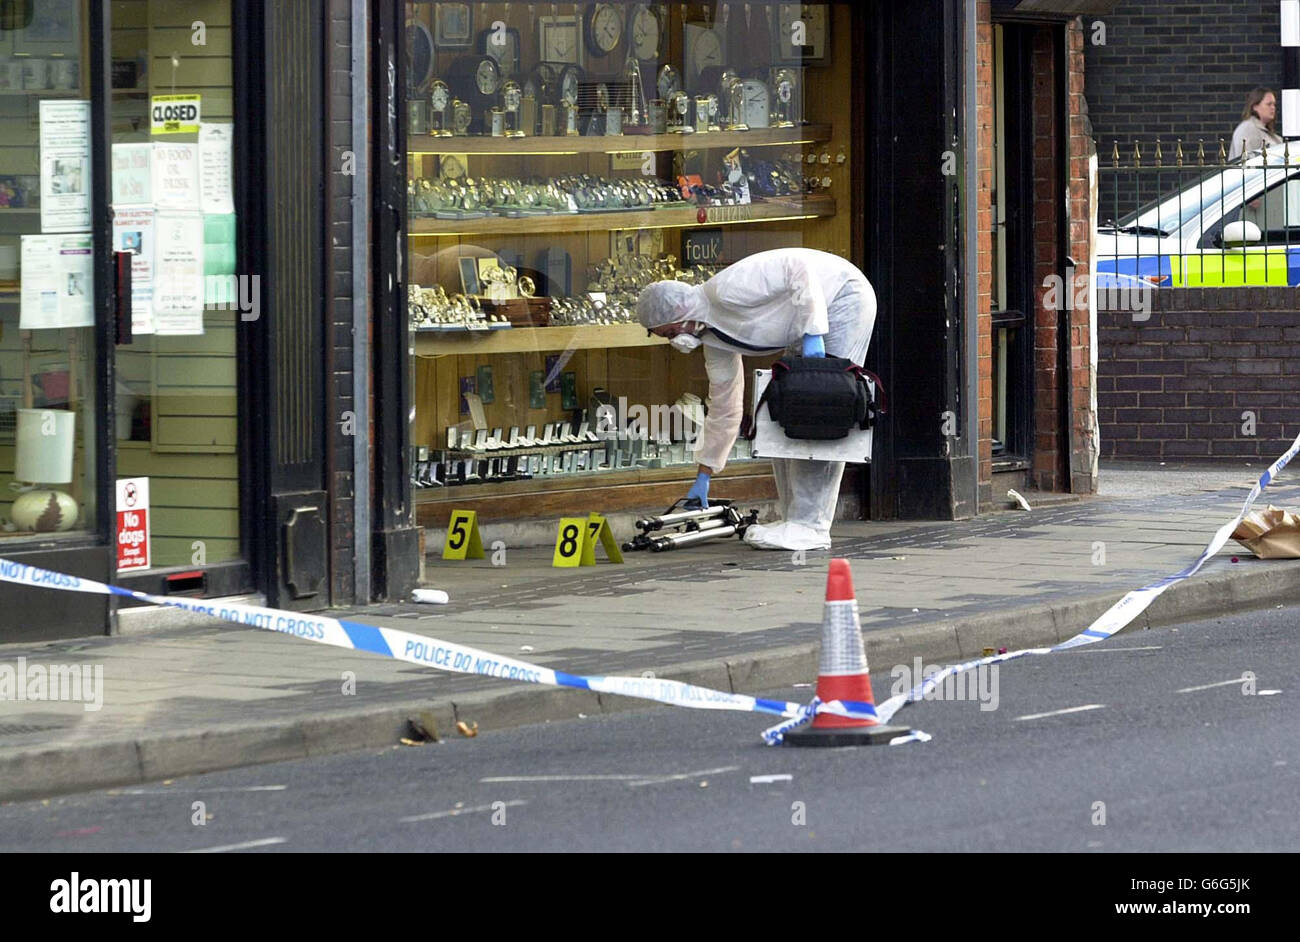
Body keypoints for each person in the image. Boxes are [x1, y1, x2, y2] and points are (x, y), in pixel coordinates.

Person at [636, 247, 877, 552]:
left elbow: (797, 267)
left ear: (681, 313)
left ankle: (810, 525)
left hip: (841, 298)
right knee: (782, 414)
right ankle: (793, 518)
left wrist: (814, 331)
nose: (675, 341)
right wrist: (705, 472)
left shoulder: (724, 290)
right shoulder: (714, 337)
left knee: (818, 408)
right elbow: (725, 405)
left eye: (669, 333)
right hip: (801, 320)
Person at [1229, 87, 1282, 161]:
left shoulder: (1261, 129)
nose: (1273, 108)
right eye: (1269, 104)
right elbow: (1247, 162)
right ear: (1255, 106)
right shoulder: (1248, 129)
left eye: (1274, 104)